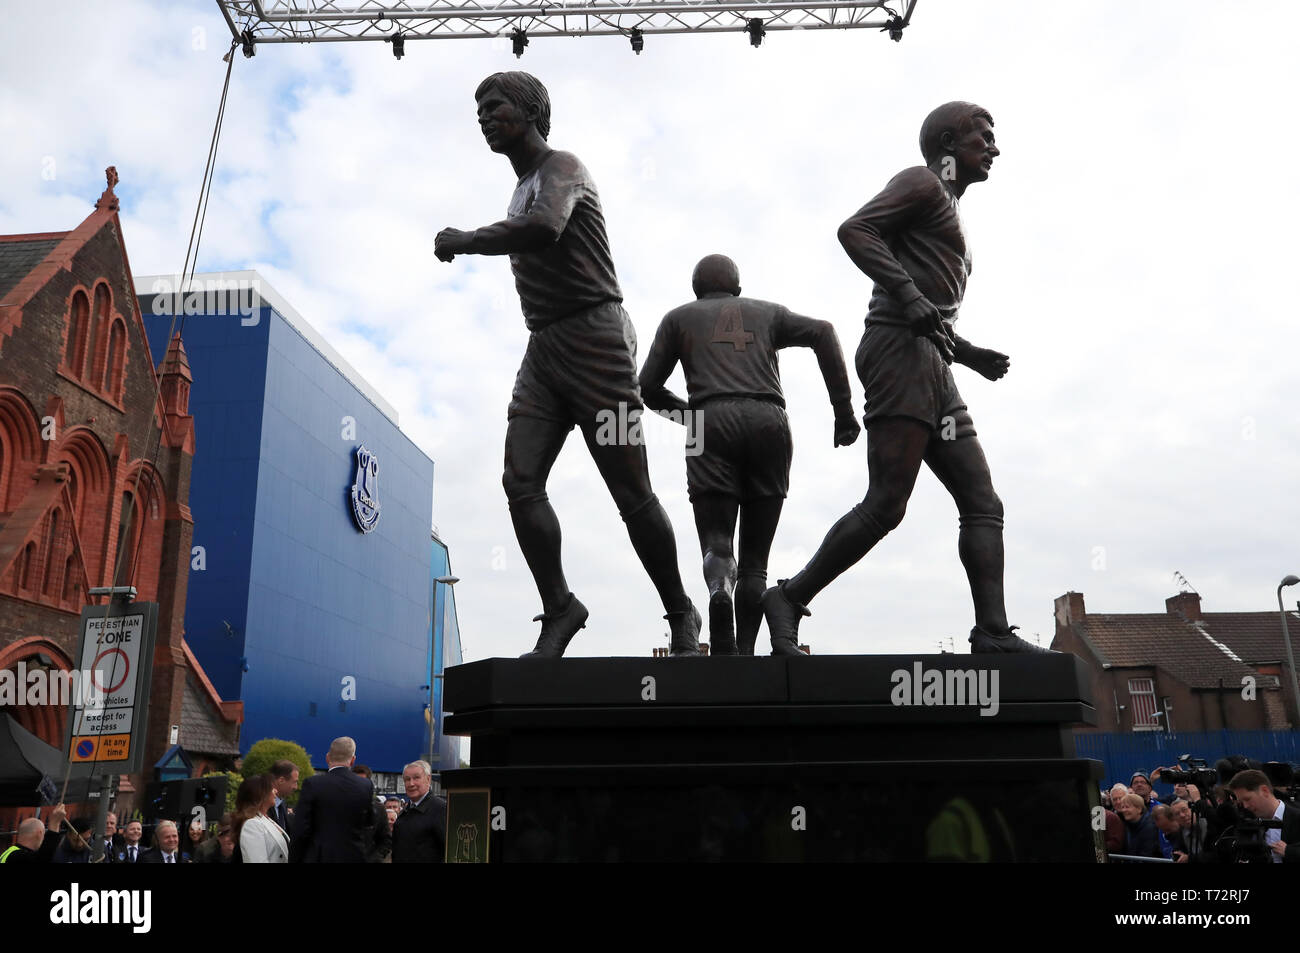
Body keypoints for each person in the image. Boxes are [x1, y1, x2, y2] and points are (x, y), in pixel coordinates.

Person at [760, 101, 1046, 656]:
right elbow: (855, 230)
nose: (994, 147)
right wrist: (914, 299)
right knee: (887, 503)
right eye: (982, 137)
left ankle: (992, 632)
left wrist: (966, 354)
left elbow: (928, 312)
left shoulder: (951, 211)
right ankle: (789, 598)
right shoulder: (922, 183)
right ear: (947, 143)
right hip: (897, 353)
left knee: (982, 500)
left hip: (932, 363)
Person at [435, 71, 701, 657]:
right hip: (545, 349)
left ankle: (682, 613)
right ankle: (561, 607)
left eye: (495, 104)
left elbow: (544, 227)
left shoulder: (563, 167)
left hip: (596, 336)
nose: (484, 116)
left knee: (631, 491)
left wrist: (469, 238)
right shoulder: (519, 185)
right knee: (520, 480)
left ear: (530, 110)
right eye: (478, 107)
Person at [638, 255, 859, 654]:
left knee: (718, 545)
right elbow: (824, 332)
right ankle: (745, 652)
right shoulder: (768, 313)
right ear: (737, 289)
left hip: (708, 421)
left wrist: (690, 418)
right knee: (757, 559)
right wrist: (843, 411)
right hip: (768, 420)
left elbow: (647, 388)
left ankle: (719, 588)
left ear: (697, 290)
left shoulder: (678, 319)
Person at [290, 736, 377, 863]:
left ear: (327, 757)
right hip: (354, 856)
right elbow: (370, 822)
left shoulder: (313, 784)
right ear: (353, 760)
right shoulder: (365, 785)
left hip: (319, 856)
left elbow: (300, 829)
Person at [1227, 768, 1300, 863]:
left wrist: (1289, 851)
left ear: (1264, 791)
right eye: (1241, 802)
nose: (1245, 806)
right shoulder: (1249, 823)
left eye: (1248, 799)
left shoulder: (1296, 817)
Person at [392, 760, 446, 863]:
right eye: (407, 779)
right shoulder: (406, 810)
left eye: (416, 778)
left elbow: (448, 851)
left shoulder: (441, 809)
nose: (411, 784)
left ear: (428, 779)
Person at [234, 775, 289, 864]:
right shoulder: (251, 825)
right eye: (272, 788)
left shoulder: (266, 819)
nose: (276, 791)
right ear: (261, 794)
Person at [1115, 793, 1162, 860]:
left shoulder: (1150, 827)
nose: (1124, 810)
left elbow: (1146, 855)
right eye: (1123, 807)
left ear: (1139, 809)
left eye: (1127, 807)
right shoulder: (1128, 824)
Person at [269, 759, 299, 836]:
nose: (296, 787)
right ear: (281, 780)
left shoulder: (282, 803)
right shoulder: (261, 803)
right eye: (294, 782)